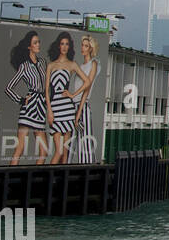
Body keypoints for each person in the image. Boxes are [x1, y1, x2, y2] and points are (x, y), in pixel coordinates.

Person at [6, 30, 48, 165]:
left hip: (41, 106)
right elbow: (9, 88)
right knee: (20, 147)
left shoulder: (42, 62)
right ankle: (10, 175)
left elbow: (47, 84)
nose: (38, 45)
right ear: (29, 46)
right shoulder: (24, 66)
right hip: (30, 105)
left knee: (44, 150)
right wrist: (21, 100)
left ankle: (34, 176)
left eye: (38, 42)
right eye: (35, 43)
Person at [64, 35, 100, 164]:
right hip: (73, 107)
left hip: (82, 107)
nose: (83, 48)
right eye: (82, 45)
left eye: (86, 46)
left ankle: (88, 167)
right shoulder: (80, 65)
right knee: (70, 140)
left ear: (91, 48)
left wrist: (78, 110)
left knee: (85, 139)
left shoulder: (94, 63)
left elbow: (87, 87)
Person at [45, 32, 80, 164]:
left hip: (67, 109)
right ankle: (49, 178)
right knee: (58, 151)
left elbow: (87, 81)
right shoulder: (51, 65)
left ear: (69, 46)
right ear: (58, 46)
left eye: (67, 44)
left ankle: (61, 181)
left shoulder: (72, 64)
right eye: (62, 44)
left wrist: (72, 95)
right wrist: (49, 110)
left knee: (65, 153)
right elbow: (47, 91)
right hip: (55, 108)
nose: (64, 47)